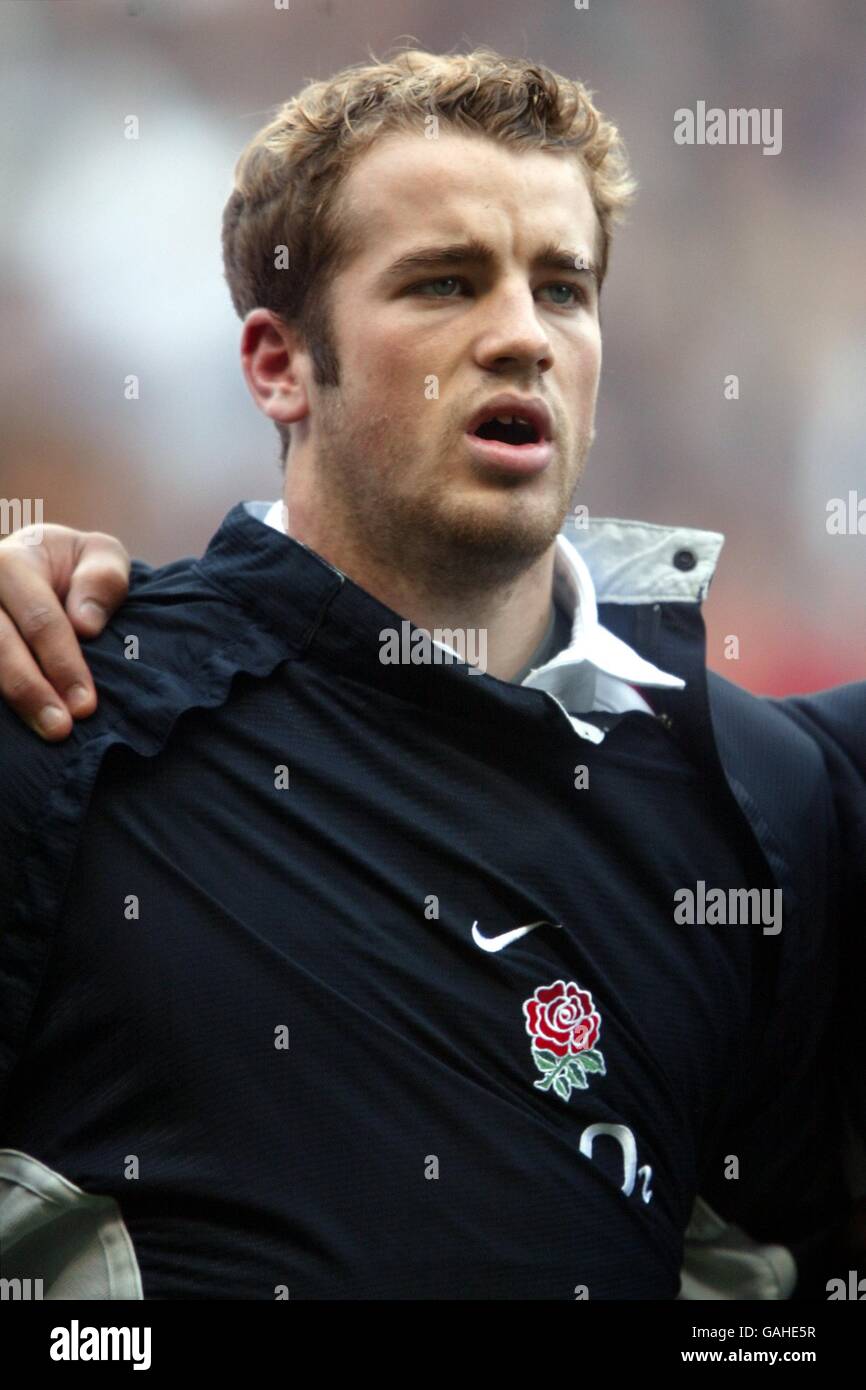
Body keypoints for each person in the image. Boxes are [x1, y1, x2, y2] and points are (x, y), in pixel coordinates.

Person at [0, 44, 862, 1301]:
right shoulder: (65, 708)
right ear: (277, 364)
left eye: (561, 289)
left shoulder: (770, 800)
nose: (520, 334)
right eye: (445, 283)